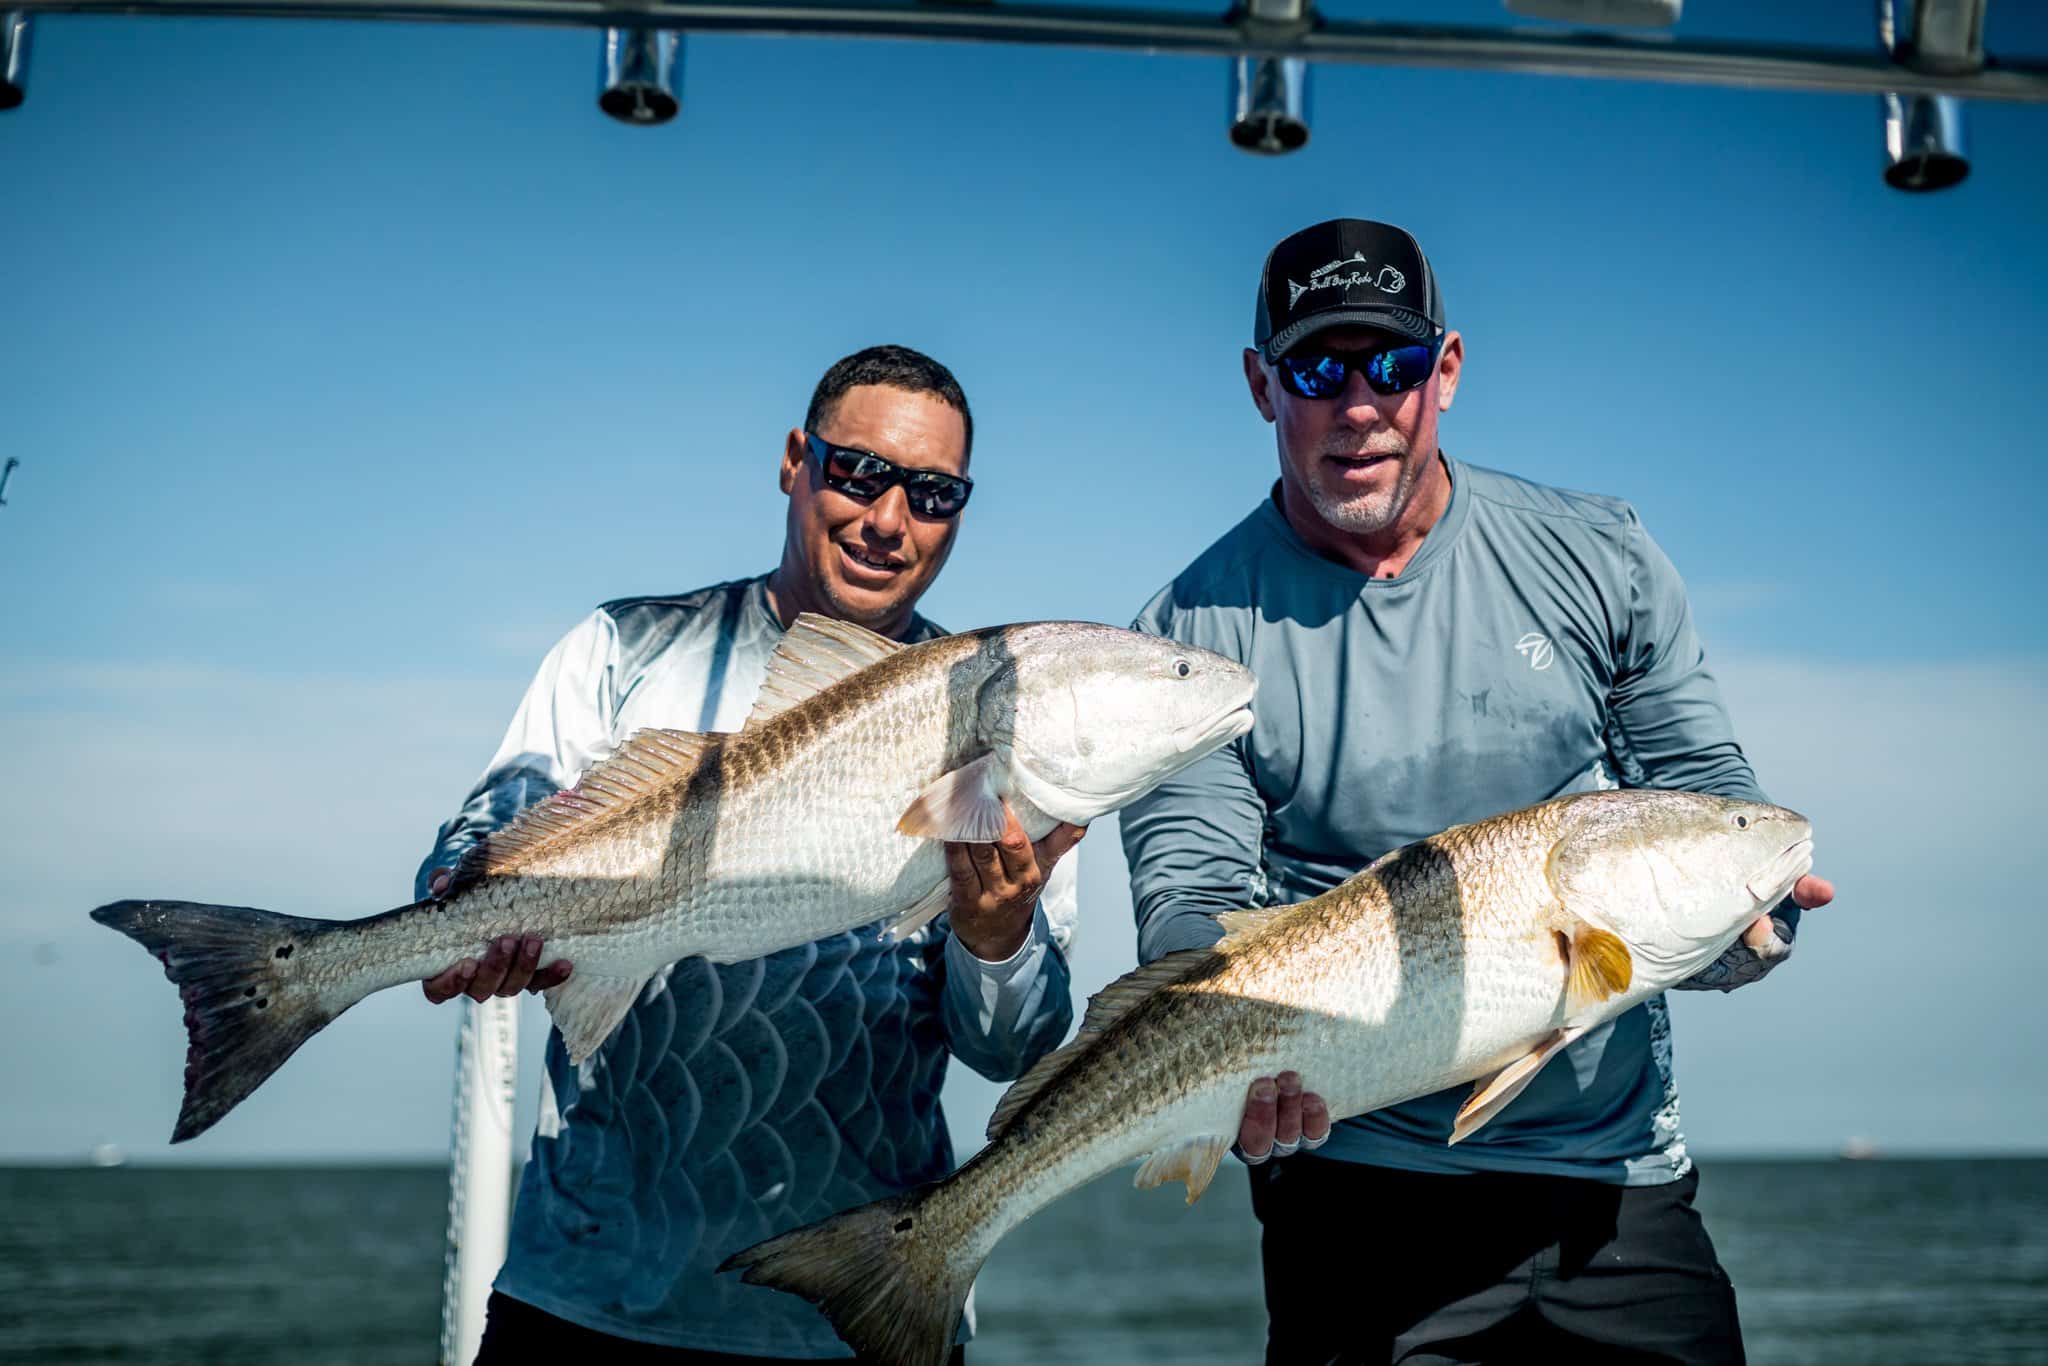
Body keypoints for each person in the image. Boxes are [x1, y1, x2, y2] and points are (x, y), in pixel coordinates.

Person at [1120, 219, 1836, 1364]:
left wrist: (1747, 929)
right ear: (1261, 385)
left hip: (1612, 1183)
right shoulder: (1184, 638)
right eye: (1316, 370)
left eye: (1392, 363)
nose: (1359, 404)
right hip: (1350, 1183)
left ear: (1444, 370)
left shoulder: (1598, 555)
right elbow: (1191, 892)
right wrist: (1215, 1054)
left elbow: (1702, 791)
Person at [415, 344, 1082, 1362]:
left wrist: (995, 940)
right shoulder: (625, 649)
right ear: (794, 461)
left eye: (932, 494)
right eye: (858, 472)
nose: (887, 518)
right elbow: (489, 831)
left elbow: (1013, 1049)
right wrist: (456, 902)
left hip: (863, 1314)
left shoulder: (1009, 726)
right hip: (587, 1299)